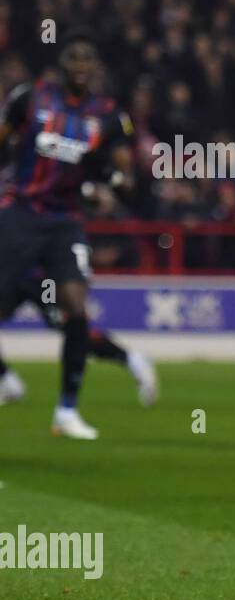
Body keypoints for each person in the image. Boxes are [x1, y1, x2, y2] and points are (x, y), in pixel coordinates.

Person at [0, 30, 135, 439]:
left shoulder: (109, 116)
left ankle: (67, 410)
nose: (80, 65)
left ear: (95, 68)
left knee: (76, 307)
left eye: (87, 58)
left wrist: (111, 180)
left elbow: (124, 175)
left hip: (65, 220)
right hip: (21, 213)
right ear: (62, 65)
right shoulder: (31, 98)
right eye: (73, 58)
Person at [0, 269, 157, 407]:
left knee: (71, 327)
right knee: (70, 328)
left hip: (43, 279)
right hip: (13, 274)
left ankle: (131, 359)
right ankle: (8, 381)